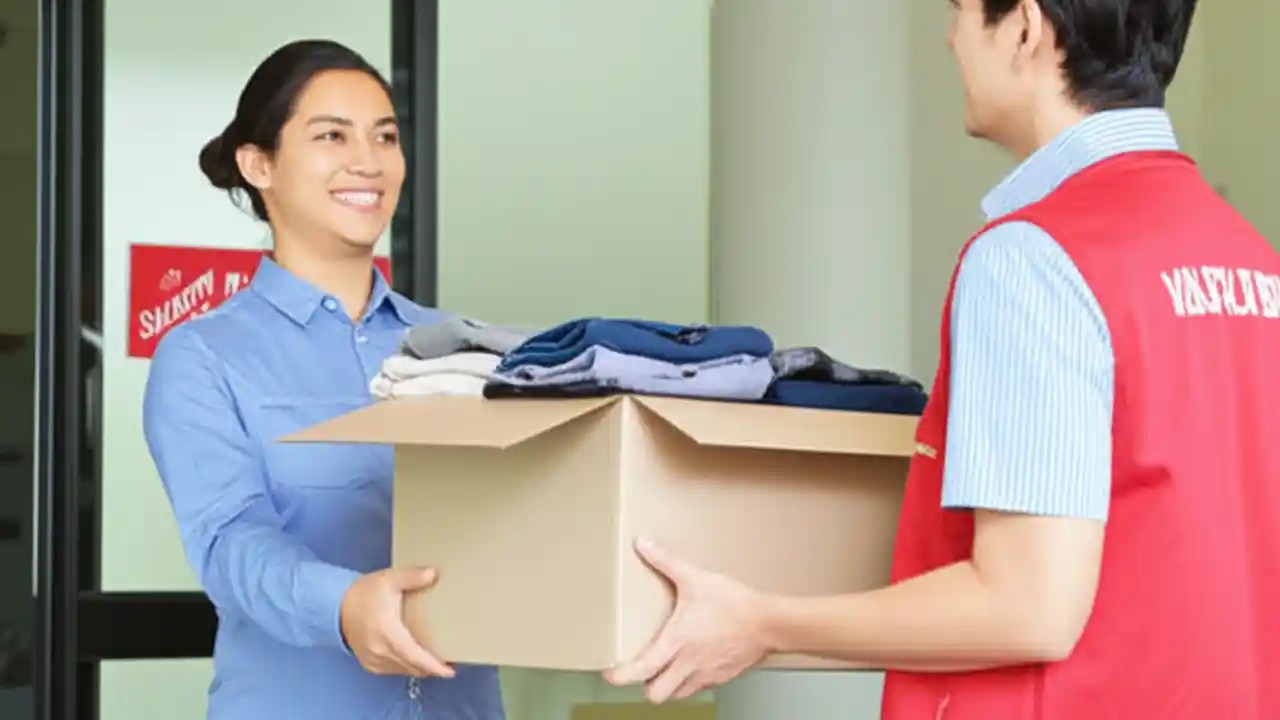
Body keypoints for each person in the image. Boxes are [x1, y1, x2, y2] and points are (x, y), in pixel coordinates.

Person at [605, 0, 1280, 717]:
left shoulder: (1035, 259)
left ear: (1024, 27)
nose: (951, 36)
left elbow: (1027, 607)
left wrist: (763, 623)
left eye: (960, 9)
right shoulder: (1252, 264)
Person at [142, 40, 504, 719]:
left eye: (385, 137)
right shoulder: (203, 358)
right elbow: (230, 543)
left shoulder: (459, 348)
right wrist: (343, 607)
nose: (368, 161)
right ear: (259, 165)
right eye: (331, 136)